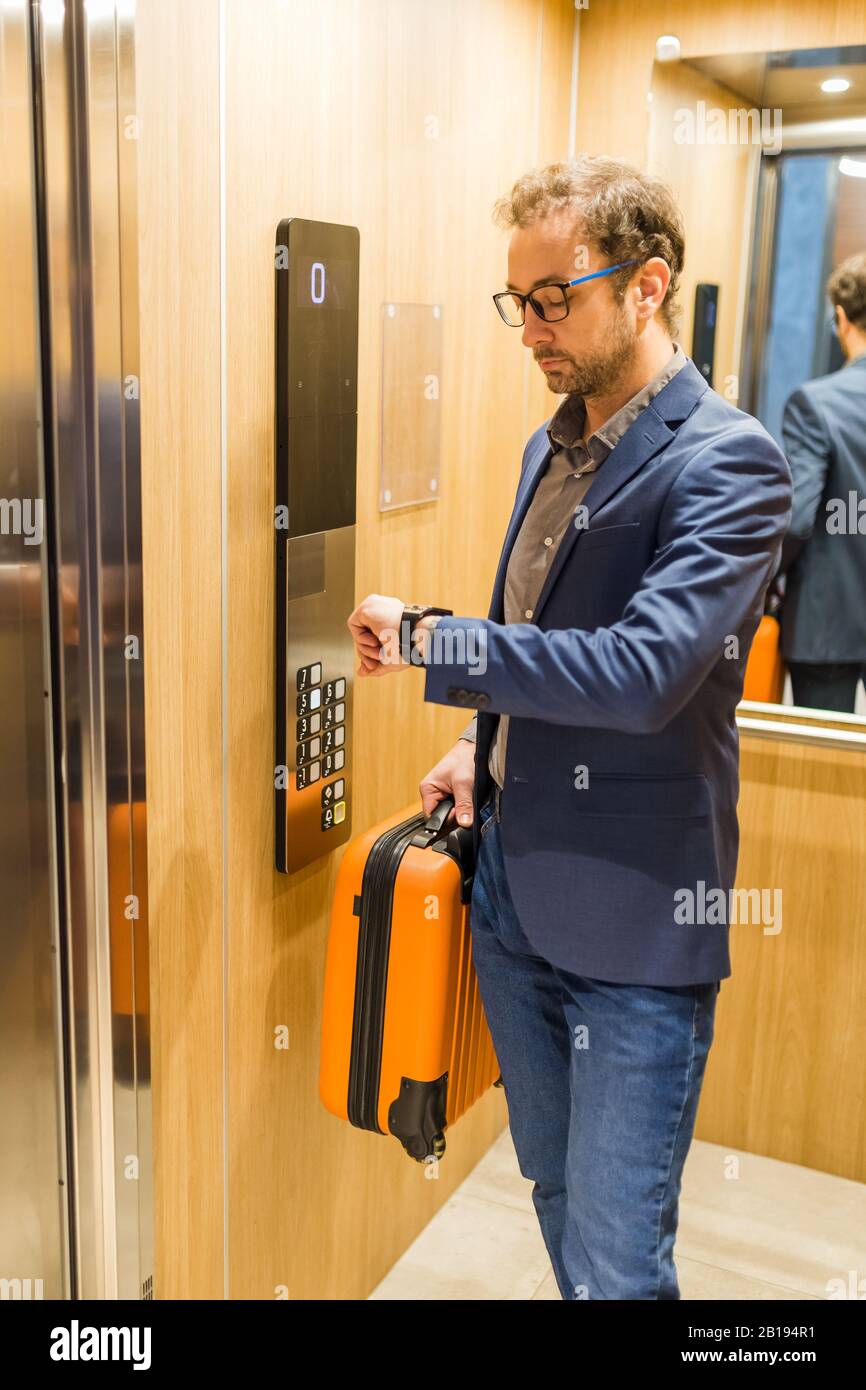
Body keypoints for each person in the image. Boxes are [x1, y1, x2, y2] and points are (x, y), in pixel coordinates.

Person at [347, 155, 793, 1300]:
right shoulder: (546, 446)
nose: (530, 328)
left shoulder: (728, 461)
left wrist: (434, 642)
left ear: (644, 286)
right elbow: (538, 639)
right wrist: (477, 743)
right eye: (519, 303)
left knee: (616, 1254)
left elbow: (643, 672)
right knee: (547, 1189)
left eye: (554, 299)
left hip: (634, 934)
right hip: (511, 897)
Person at [773, 251, 866, 712]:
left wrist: (764, 580)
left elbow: (796, 521)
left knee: (818, 773)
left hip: (827, 620)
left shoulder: (816, 404)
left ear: (842, 317)